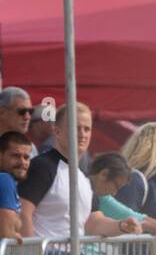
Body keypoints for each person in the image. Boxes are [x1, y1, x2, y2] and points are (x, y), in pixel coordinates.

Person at [16, 102, 132, 238]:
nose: (82, 134)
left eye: (87, 129)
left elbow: (94, 223)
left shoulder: (83, 178)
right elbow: (23, 213)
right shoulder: (42, 166)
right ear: (57, 131)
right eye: (76, 128)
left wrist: (122, 226)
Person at [0, 130, 33, 241]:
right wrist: (15, 237)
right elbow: (6, 234)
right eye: (16, 156)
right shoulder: (5, 180)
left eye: (26, 157)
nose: (22, 162)